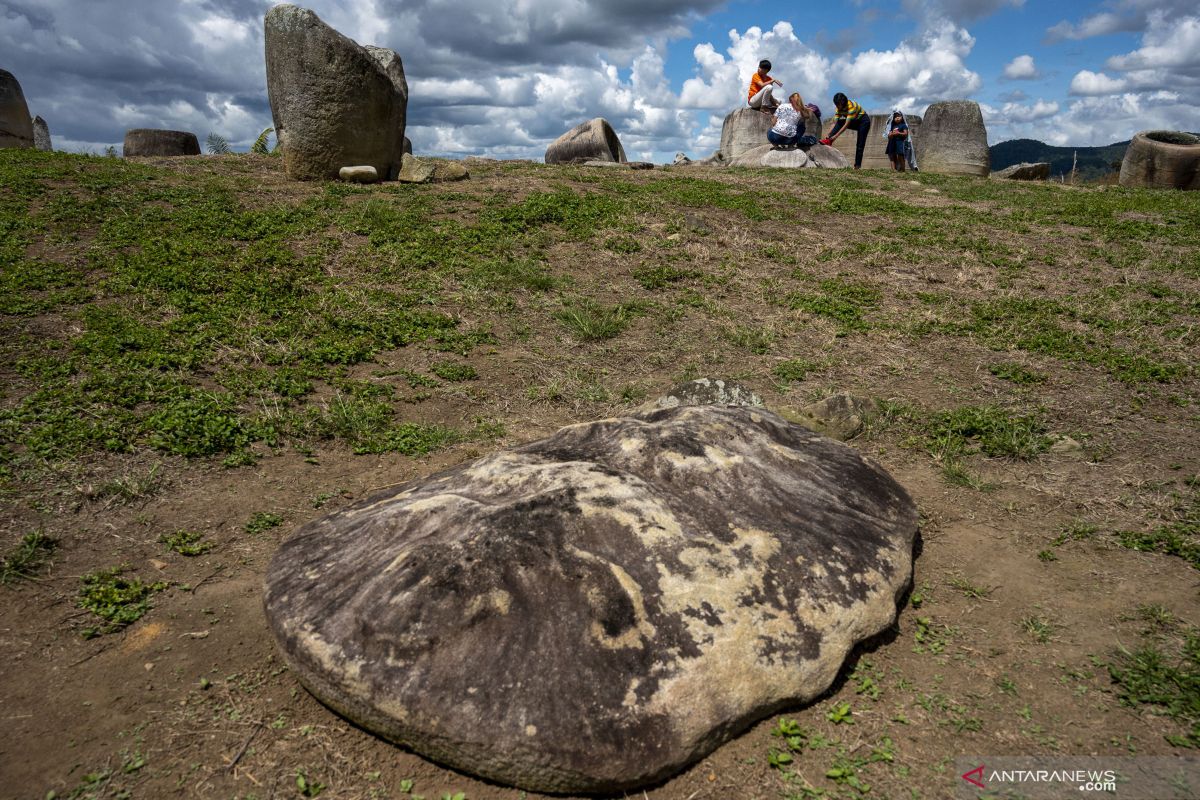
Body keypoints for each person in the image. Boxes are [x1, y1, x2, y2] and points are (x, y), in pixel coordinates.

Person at [821, 93, 871, 169]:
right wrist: (829, 134)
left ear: (843, 102)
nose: (837, 106)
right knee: (840, 122)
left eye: (838, 104)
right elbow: (835, 122)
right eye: (836, 104)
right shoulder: (838, 108)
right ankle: (828, 141)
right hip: (855, 121)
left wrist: (835, 136)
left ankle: (857, 166)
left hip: (864, 122)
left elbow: (846, 125)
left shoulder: (851, 106)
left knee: (860, 144)